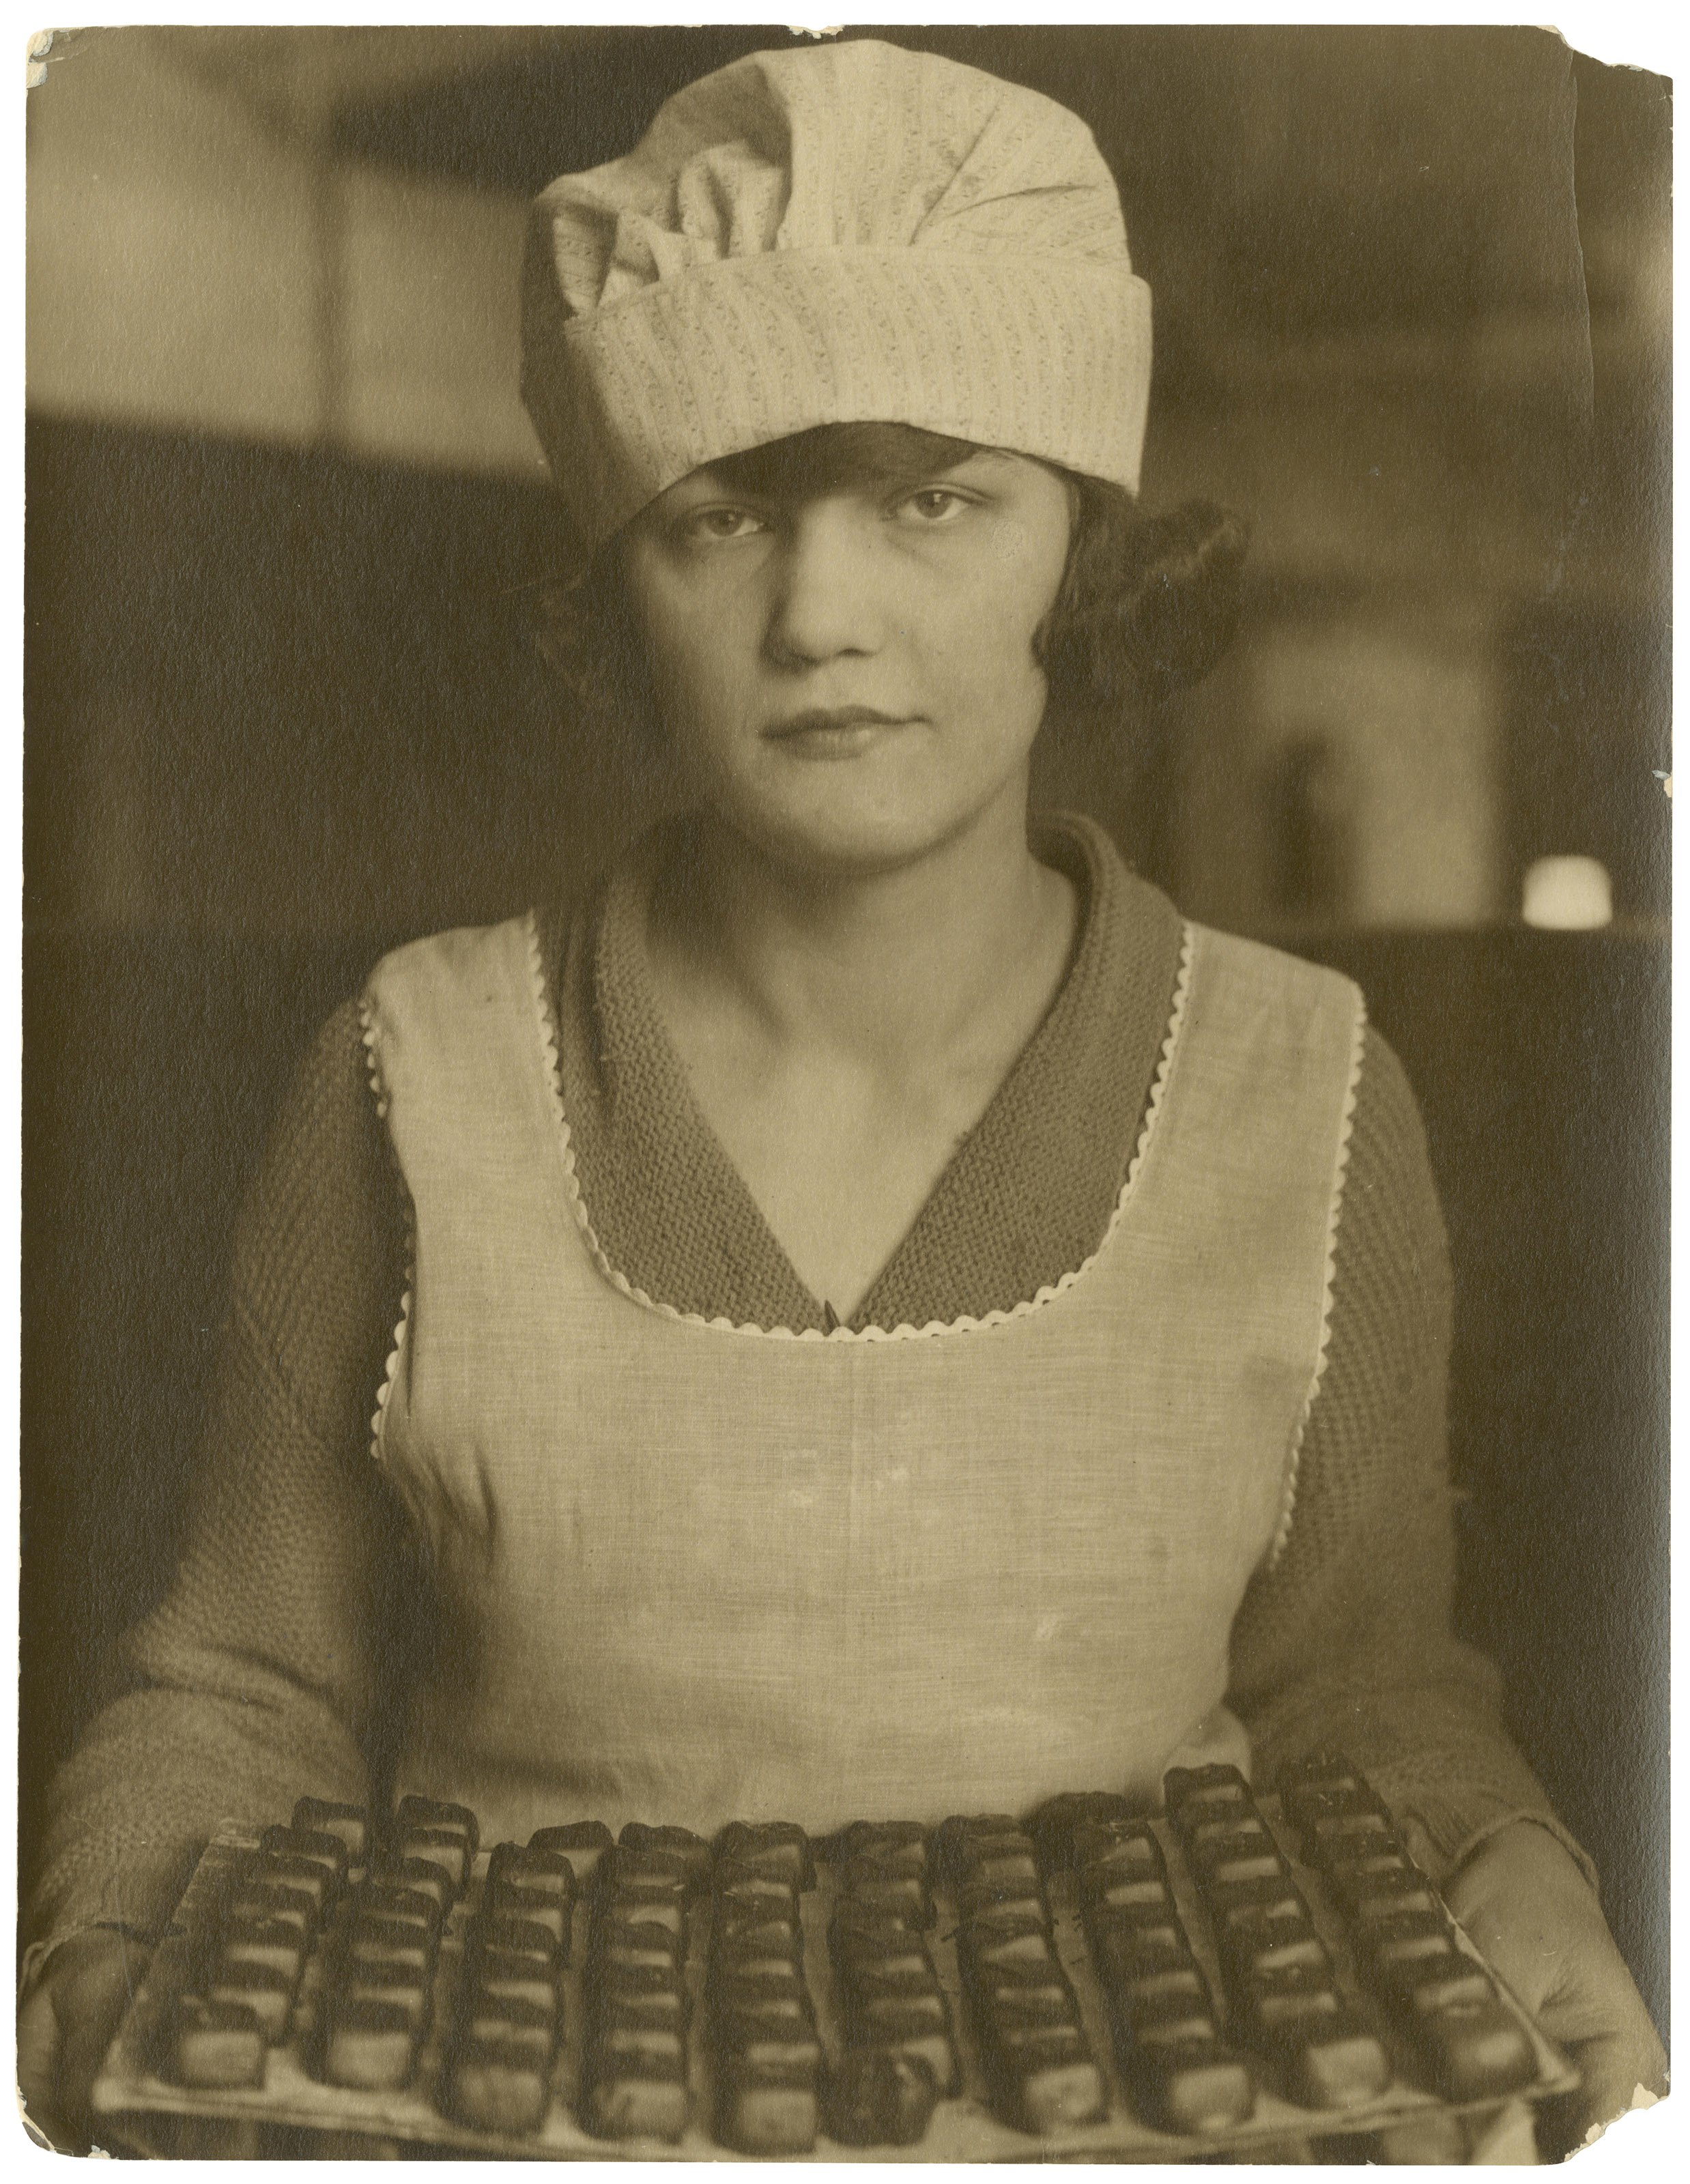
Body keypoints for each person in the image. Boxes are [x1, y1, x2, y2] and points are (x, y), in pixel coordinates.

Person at [19, 38, 1665, 2157]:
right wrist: (115, 1955)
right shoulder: (407, 1080)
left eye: (931, 500)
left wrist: (1507, 1870)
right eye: (719, 517)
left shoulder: (1305, 1092)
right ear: (616, 574)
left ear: (1078, 545)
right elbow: (244, 1690)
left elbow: (1362, 1693)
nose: (819, 618)